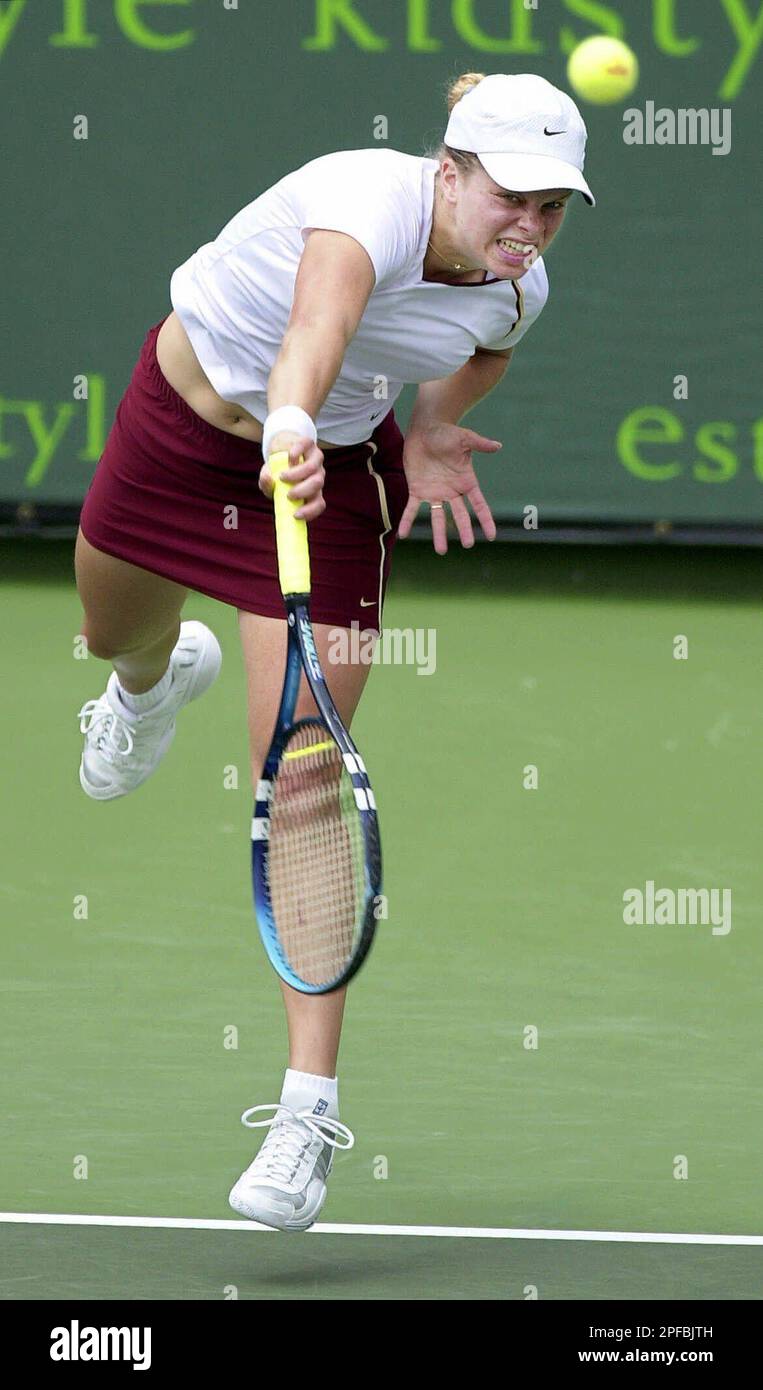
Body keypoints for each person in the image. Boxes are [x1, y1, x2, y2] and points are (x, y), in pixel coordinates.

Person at [74, 71, 595, 1232]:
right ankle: (151, 682)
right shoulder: (366, 198)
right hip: (186, 429)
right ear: (448, 172)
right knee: (112, 628)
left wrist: (433, 429)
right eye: (511, 196)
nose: (530, 226)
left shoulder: (518, 293)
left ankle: (305, 1115)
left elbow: (485, 347)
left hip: (324, 490)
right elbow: (318, 323)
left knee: (304, 777)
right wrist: (296, 417)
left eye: (553, 207)